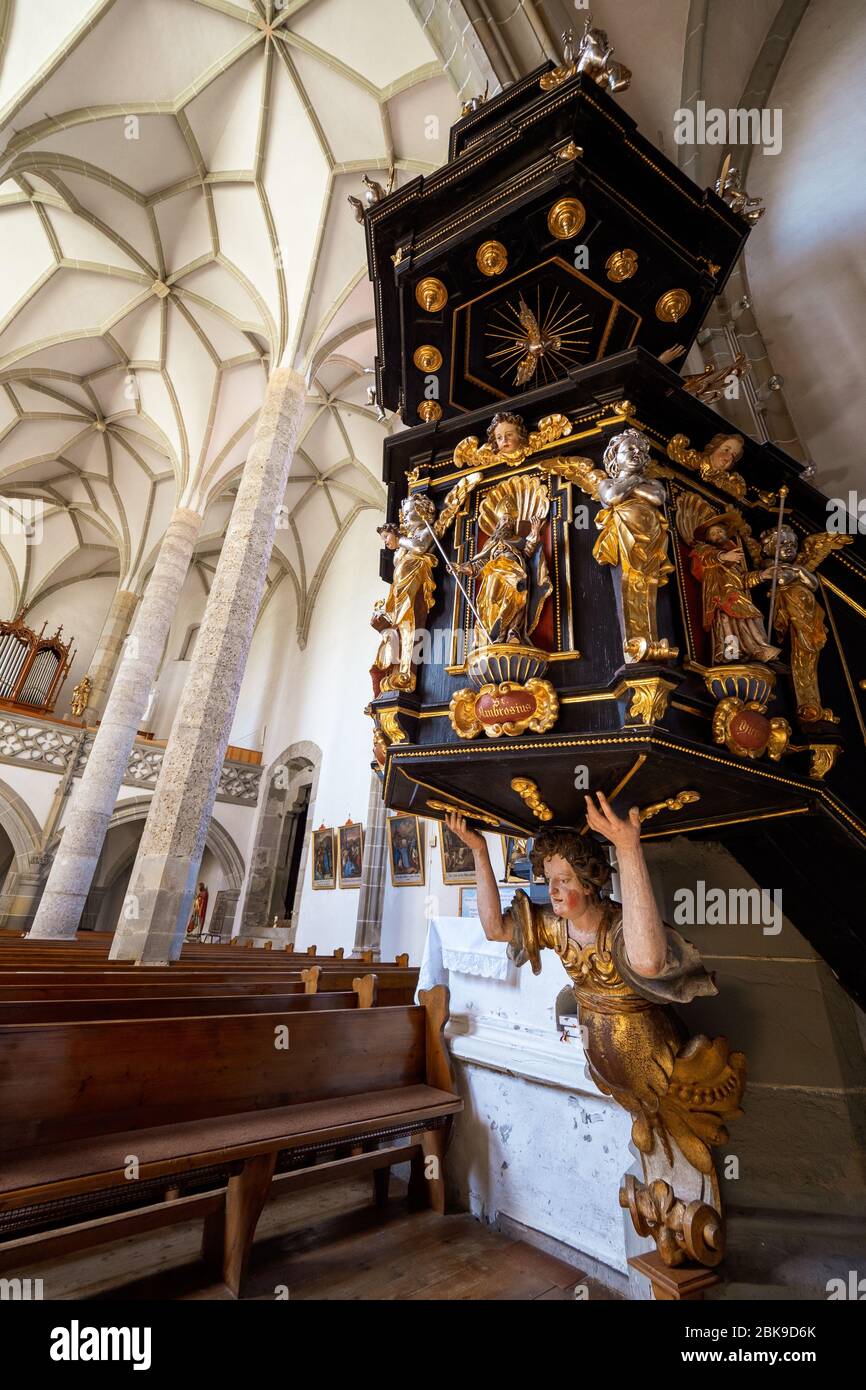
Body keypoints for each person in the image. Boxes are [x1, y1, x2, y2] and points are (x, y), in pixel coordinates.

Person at [445, 796, 744, 1173]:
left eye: (564, 880)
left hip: (657, 1055)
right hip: (609, 1066)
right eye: (549, 880)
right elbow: (494, 929)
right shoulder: (557, 927)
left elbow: (650, 961)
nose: (552, 890)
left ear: (588, 883)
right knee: (655, 1153)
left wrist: (627, 848)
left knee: (681, 1151)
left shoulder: (619, 926)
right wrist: (479, 851)